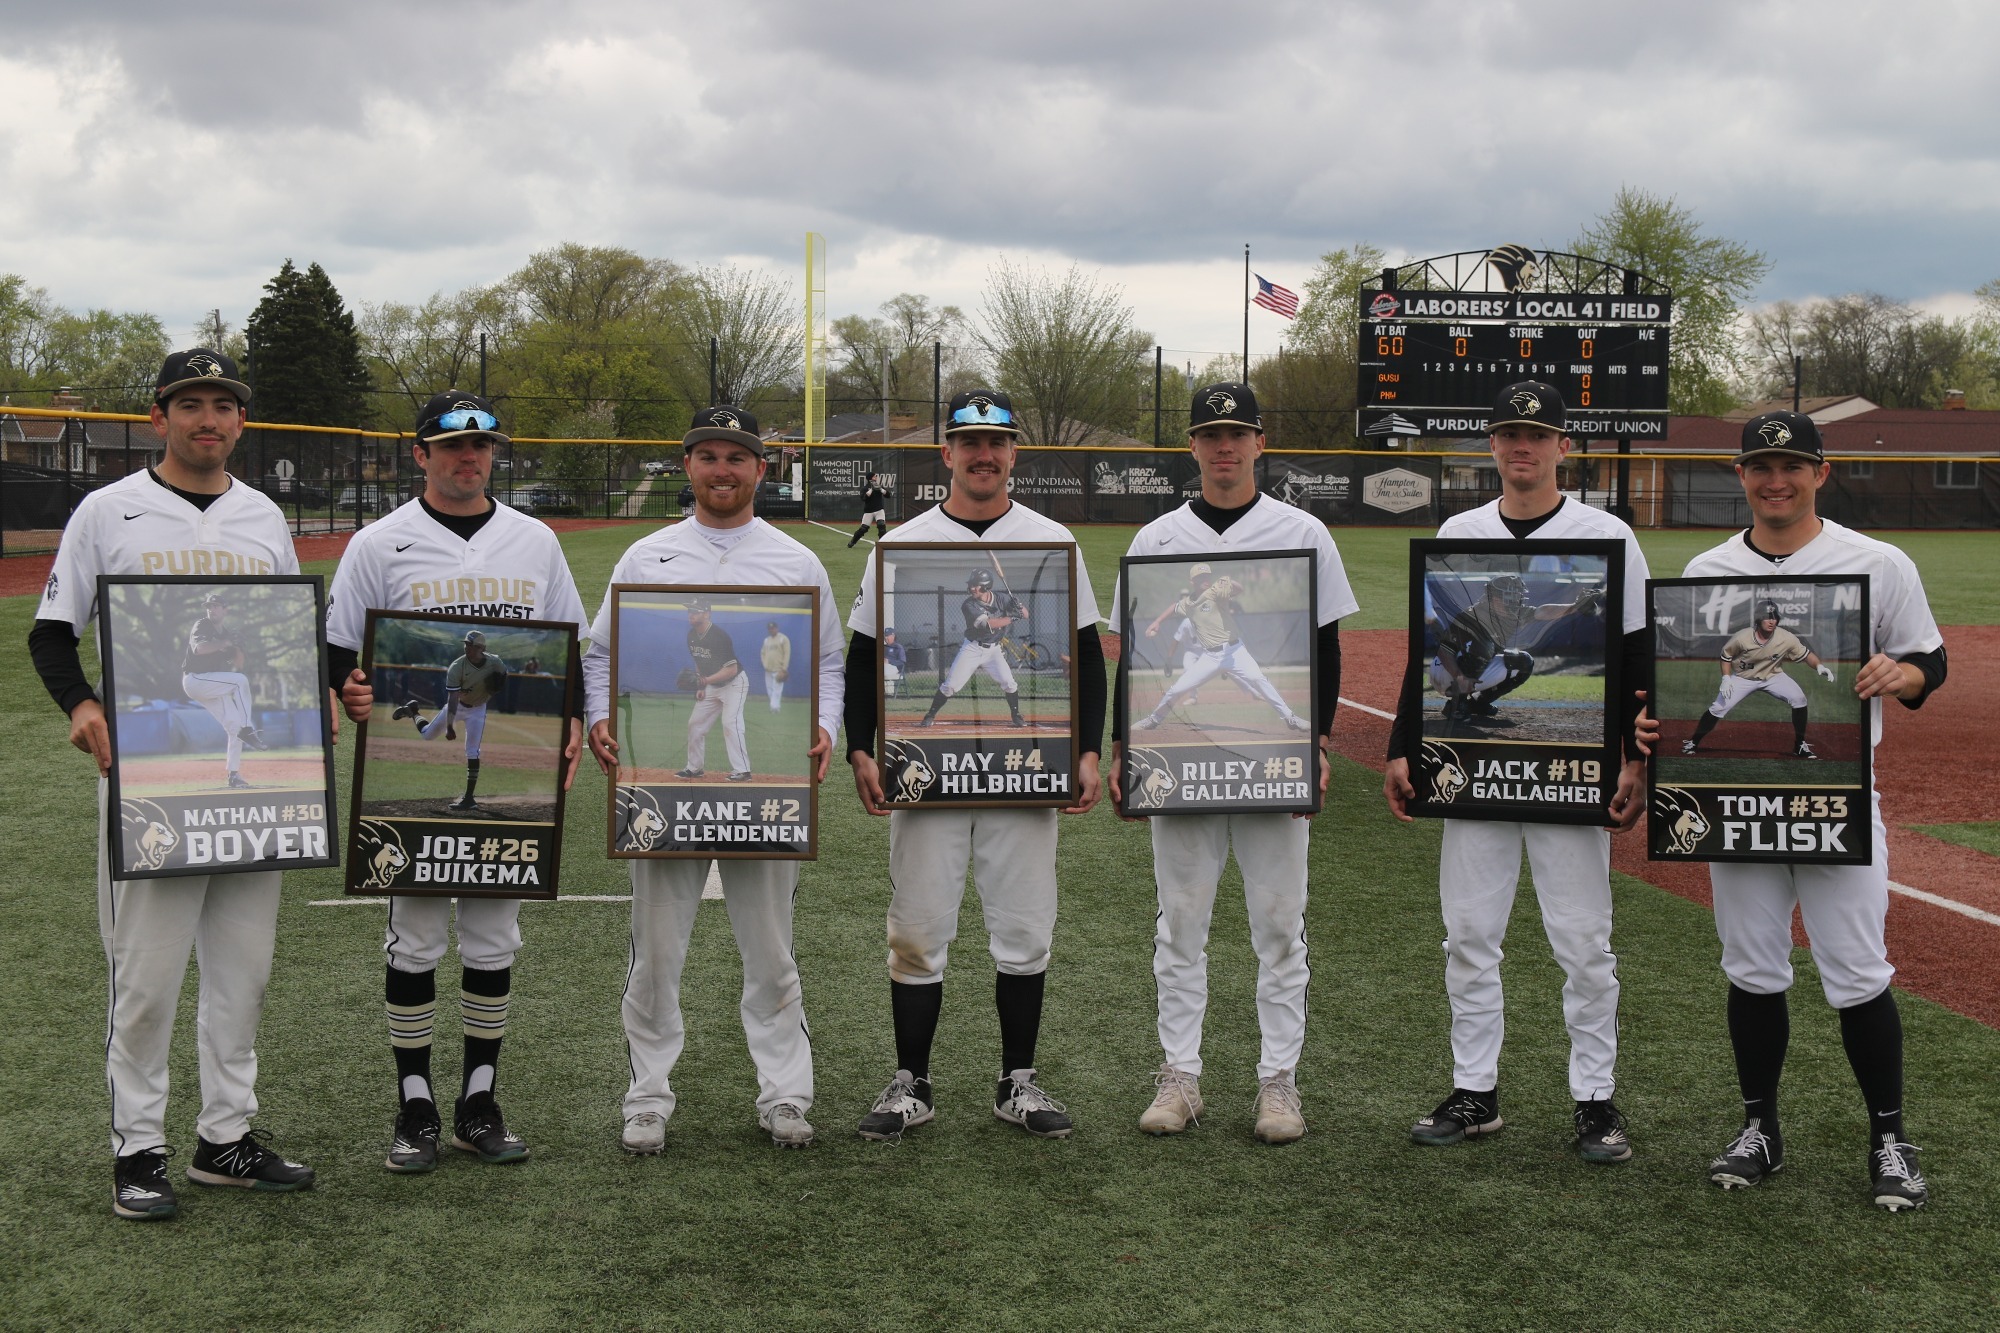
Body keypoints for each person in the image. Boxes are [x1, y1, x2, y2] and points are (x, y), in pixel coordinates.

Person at [30, 348, 315, 1219]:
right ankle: (138, 1147)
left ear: (241, 421)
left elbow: (289, 625)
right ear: (159, 417)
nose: (208, 419)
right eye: (190, 403)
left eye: (223, 405)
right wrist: (81, 703)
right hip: (145, 789)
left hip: (253, 806)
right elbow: (52, 631)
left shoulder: (263, 515)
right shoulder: (107, 508)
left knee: (244, 973)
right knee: (146, 976)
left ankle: (225, 1135)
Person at [1680, 411, 1946, 1210]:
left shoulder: (1877, 561)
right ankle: (1759, 1127)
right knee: (1752, 967)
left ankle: (1891, 1138)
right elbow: (1699, 659)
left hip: (1839, 798)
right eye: (1761, 466)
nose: (1777, 480)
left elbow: (1929, 659)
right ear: (1741, 475)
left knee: (1859, 971)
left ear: (1820, 472)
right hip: (1738, 803)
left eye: (1792, 465)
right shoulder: (1708, 567)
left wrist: (1902, 675)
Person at [1382, 381, 1650, 1165]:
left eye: (1536, 433)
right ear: (1493, 444)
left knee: (1583, 939)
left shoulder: (1608, 534)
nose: (1521, 445)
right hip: (1472, 774)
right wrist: (1403, 744)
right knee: (1469, 932)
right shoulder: (1459, 530)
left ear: (1563, 445)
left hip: (1570, 776)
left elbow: (1636, 655)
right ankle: (1475, 1091)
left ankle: (1595, 1098)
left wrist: (1636, 759)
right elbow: (1423, 649)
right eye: (1507, 433)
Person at [327, 391, 589, 1173]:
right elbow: (338, 652)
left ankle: (480, 1102)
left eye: (480, 446)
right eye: (450, 446)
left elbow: (572, 643)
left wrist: (574, 716)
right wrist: (350, 687)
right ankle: (415, 1106)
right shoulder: (379, 543)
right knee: (414, 939)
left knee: (493, 936)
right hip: (405, 786)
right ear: (422, 454)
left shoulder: (534, 540)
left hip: (492, 740)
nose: (468, 457)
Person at [845, 388, 1107, 1140]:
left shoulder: (1051, 539)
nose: (983, 455)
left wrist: (1089, 749)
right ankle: (912, 1083)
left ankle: (1017, 1081)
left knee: (1024, 927)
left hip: (1022, 776)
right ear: (948, 453)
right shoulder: (904, 543)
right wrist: (861, 744)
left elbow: (1088, 653)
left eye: (996, 442)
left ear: (1012, 453)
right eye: (969, 442)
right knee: (918, 927)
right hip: (930, 774)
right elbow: (863, 653)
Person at [585, 405, 844, 1151]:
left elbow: (828, 661)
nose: (722, 470)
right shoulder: (647, 557)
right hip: (662, 802)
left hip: (755, 762)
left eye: (737, 457)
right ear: (688, 465)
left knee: (771, 951)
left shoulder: (795, 561)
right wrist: (600, 717)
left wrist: (826, 727)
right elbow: (601, 653)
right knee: (655, 951)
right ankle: (647, 1096)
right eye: (708, 455)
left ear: (761, 468)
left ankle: (785, 1094)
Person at [1106, 382, 1358, 1143]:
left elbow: (1325, 646)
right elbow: (1132, 649)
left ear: (1258, 442)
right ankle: (1180, 1075)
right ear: (1192, 445)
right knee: (1180, 921)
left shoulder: (1302, 529)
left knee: (1280, 925)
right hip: (1181, 769)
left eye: (1237, 433)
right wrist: (1124, 748)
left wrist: (1316, 743)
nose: (1225, 446)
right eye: (1211, 434)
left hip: (1268, 755)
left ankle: (1278, 1082)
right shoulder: (1157, 539)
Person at [1131, 557, 1314, 734]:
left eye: (1206, 575)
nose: (1205, 579)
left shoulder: (1216, 592)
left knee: (1258, 679)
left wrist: (1231, 583)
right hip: (1210, 657)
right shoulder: (1188, 604)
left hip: (1234, 651)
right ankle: (1153, 719)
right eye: (1200, 577)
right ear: (1192, 581)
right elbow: (1174, 607)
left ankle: (1290, 718)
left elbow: (1239, 589)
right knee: (1178, 689)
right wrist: (1157, 622)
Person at [1429, 573, 1607, 723]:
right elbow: (1444, 651)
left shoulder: (1511, 614)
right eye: (1510, 596)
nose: (1516, 600)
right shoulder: (1472, 616)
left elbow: (1543, 612)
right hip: (1445, 672)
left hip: (1469, 669)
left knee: (1523, 662)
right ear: (1495, 598)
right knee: (1485, 646)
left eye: (1517, 596)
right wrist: (1459, 677)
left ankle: (1477, 703)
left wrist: (1574, 607)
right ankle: (1456, 705)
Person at [1682, 598, 1837, 758]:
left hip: (1773, 676)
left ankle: (1799, 745)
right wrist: (1726, 678)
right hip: (1743, 678)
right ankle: (1693, 741)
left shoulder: (1786, 637)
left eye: (1774, 617)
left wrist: (1819, 666)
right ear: (1758, 619)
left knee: (1799, 699)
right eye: (1767, 617)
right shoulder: (1742, 637)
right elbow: (1726, 656)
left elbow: (1807, 654)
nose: (1771, 621)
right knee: (1718, 708)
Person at [392, 628, 509, 809]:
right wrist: (449, 726)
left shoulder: (495, 662)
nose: (466, 648)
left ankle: (469, 798)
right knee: (427, 735)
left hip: (478, 709)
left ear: (481, 648)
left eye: (471, 645)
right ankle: (413, 712)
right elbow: (453, 699)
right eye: (466, 644)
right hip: (459, 706)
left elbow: (504, 675)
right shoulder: (457, 667)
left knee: (473, 751)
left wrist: (500, 683)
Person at [912, 568, 1031, 729]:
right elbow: (987, 624)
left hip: (994, 650)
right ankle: (930, 715)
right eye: (971, 585)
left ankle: (1016, 715)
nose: (972, 588)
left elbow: (1025, 615)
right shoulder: (968, 605)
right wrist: (1013, 617)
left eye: (976, 585)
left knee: (1009, 683)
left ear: (986, 586)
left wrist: (1019, 606)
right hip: (972, 649)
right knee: (950, 686)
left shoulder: (1002, 598)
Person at [179, 591, 267, 788]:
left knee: (234, 726)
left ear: (226, 610)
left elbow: (239, 664)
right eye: (209, 606)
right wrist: (225, 643)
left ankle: (233, 775)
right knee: (240, 682)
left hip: (211, 685)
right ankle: (249, 730)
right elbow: (199, 649)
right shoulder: (202, 625)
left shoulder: (227, 634)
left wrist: (238, 648)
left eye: (216, 606)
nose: (212, 609)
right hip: (195, 680)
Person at [676, 597, 752, 780]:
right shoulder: (691, 635)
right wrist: (702, 685)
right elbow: (699, 661)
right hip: (712, 685)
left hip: (734, 684)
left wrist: (704, 680)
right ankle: (694, 768)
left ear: (707, 614)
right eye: (689, 611)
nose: (691, 614)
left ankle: (742, 771)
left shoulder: (719, 636)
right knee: (695, 724)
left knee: (730, 723)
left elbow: (731, 669)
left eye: (695, 611)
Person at [848, 472, 889, 547]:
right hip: (869, 511)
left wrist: (881, 490)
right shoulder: (865, 488)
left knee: (881, 526)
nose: (876, 477)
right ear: (870, 478)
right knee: (863, 529)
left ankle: (882, 544)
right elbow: (863, 498)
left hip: (879, 510)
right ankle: (853, 542)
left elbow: (888, 495)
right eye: (874, 476)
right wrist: (871, 490)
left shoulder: (879, 486)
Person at [760, 619, 792, 713]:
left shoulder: (783, 638)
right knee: (769, 689)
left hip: (779, 669)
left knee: (777, 690)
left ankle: (774, 708)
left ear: (777, 628)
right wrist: (764, 664)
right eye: (770, 629)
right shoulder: (766, 640)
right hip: (768, 669)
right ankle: (775, 707)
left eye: (773, 628)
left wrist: (784, 668)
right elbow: (762, 653)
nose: (771, 630)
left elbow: (787, 653)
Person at [881, 628, 906, 698]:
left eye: (887, 636)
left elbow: (902, 662)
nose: (885, 638)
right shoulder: (884, 647)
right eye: (885, 636)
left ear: (893, 636)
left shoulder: (898, 647)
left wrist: (889, 661)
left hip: (895, 669)